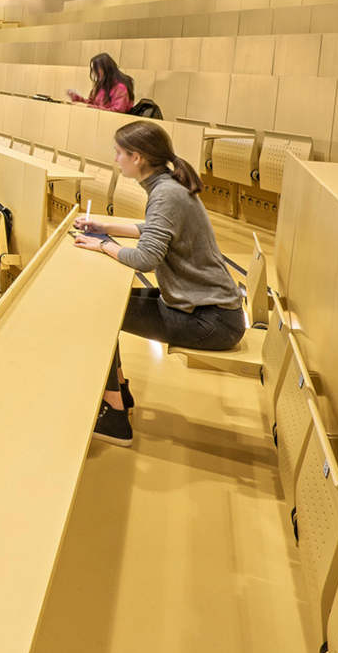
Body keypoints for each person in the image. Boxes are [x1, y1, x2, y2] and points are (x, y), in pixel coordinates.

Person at [73, 120, 247, 448]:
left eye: (119, 153)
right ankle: (119, 390)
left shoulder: (165, 193)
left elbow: (145, 259)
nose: (115, 158)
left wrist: (103, 245)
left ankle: (115, 414)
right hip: (205, 308)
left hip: (211, 320)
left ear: (137, 158)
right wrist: (102, 225)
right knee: (109, 305)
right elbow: (154, 230)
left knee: (102, 313)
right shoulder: (166, 186)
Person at [66, 52, 135, 113]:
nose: (95, 73)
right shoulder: (99, 85)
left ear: (106, 69)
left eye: (96, 69)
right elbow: (91, 103)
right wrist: (78, 99)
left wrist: (90, 107)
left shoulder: (120, 88)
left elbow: (118, 111)